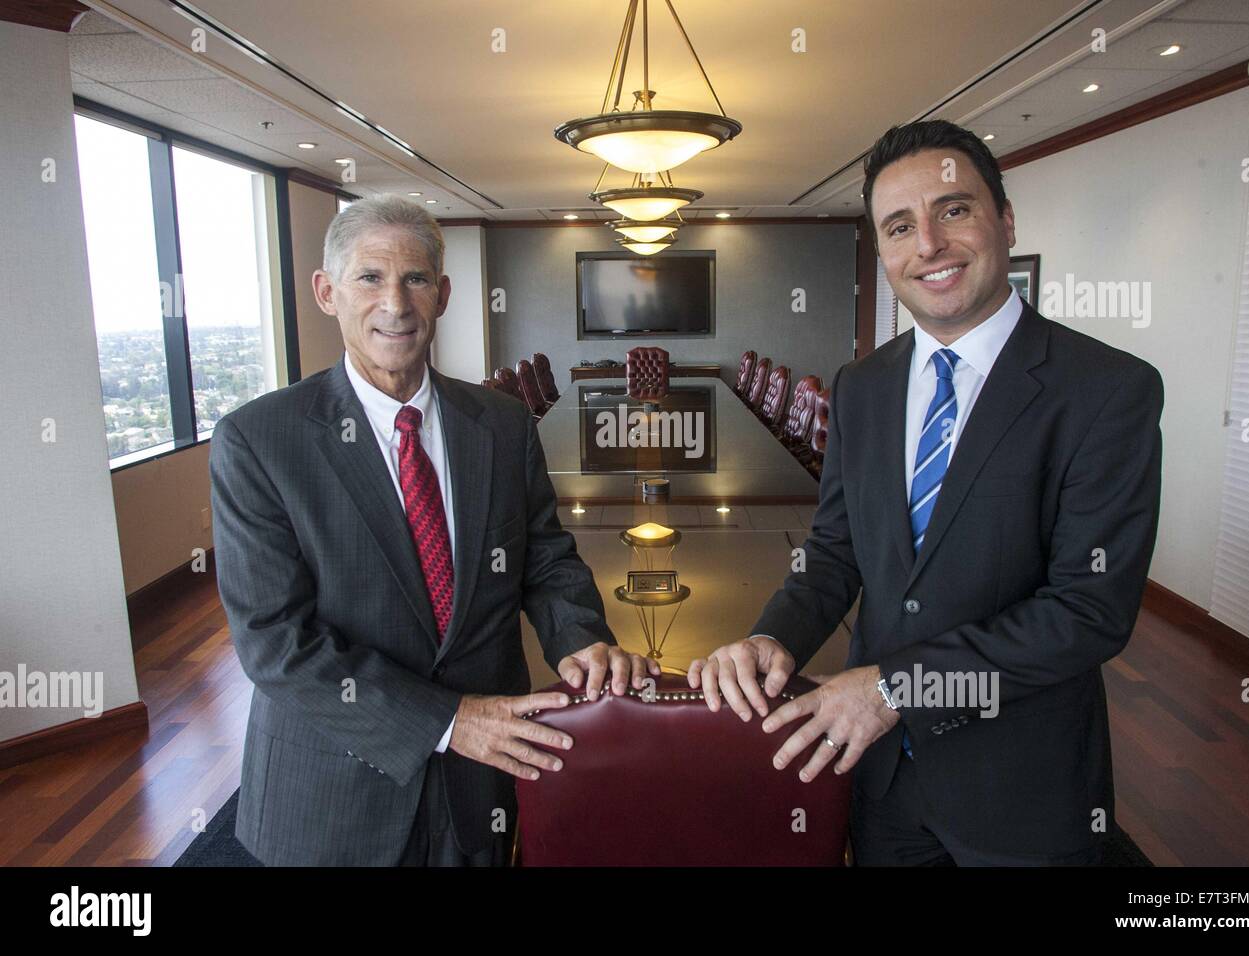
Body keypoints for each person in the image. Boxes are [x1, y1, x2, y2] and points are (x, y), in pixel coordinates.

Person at [689, 120, 1163, 865]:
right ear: (883, 254)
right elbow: (837, 549)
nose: (929, 245)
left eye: (953, 210)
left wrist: (893, 690)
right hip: (883, 784)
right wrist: (770, 636)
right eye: (900, 226)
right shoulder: (863, 388)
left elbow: (1089, 612)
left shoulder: (1105, 390)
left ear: (1004, 221)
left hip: (1022, 792)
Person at [210, 195, 656, 866]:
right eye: (370, 278)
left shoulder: (503, 424)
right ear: (326, 292)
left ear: (442, 294)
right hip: (336, 793)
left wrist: (581, 638)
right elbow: (274, 642)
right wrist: (448, 721)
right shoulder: (258, 441)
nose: (396, 302)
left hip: (482, 787)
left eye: (415, 278)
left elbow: (544, 556)